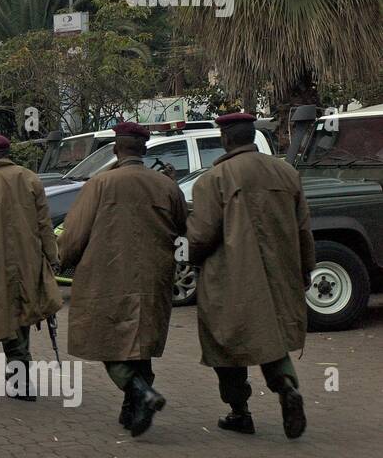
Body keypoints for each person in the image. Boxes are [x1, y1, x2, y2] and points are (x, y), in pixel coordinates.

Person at [187, 111, 315, 439]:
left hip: (229, 279)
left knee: (225, 345)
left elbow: (201, 236)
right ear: (252, 136)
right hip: (279, 275)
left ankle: (239, 412)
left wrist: (188, 257)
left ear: (225, 139)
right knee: (270, 338)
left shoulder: (212, 181)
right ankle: (286, 387)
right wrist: (306, 270)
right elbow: (303, 230)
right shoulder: (286, 174)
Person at [59, 123, 187, 435]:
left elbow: (74, 235)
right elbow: (183, 225)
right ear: (144, 150)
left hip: (108, 277)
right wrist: (173, 185)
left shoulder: (100, 184)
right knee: (140, 343)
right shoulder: (166, 186)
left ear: (116, 149)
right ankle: (132, 409)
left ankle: (141, 393)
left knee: (105, 342)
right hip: (154, 277)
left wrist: (63, 261)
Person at [0, 133, 62, 400]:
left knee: (9, 319)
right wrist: (52, 258)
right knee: (22, 317)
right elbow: (45, 224)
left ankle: (21, 380)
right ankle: (20, 376)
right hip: (31, 262)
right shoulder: (31, 178)